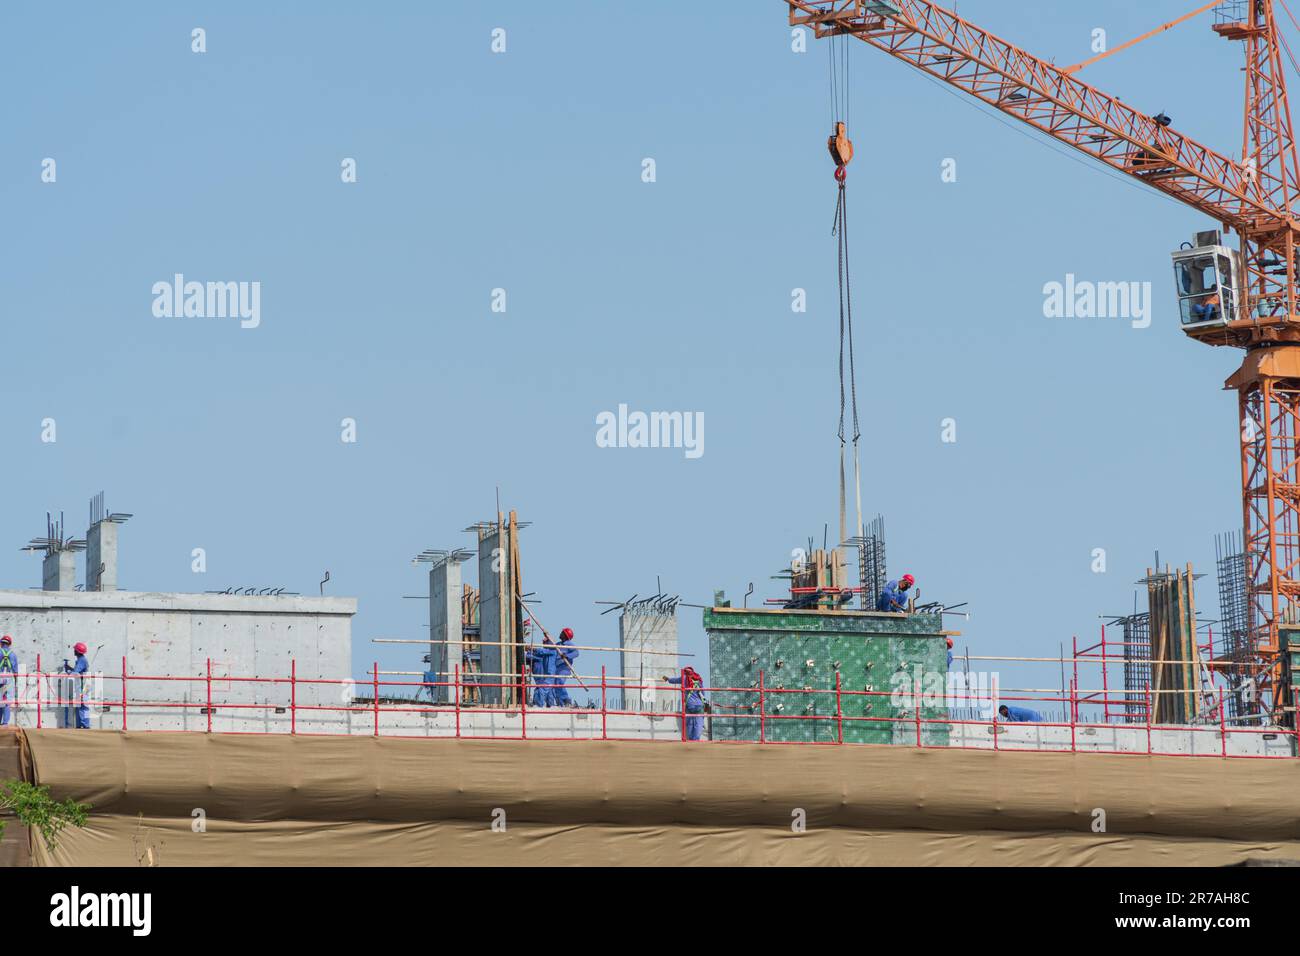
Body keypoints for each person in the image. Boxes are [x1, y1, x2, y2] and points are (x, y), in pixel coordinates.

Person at [663, 666, 706, 741]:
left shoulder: (684, 678)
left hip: (689, 705)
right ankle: (696, 739)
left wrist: (668, 679)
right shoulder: (698, 679)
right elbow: (703, 693)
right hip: (699, 705)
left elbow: (675, 680)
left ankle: (691, 739)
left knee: (690, 723)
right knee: (698, 723)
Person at [63, 643, 90, 729]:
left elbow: (75, 672)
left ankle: (85, 726)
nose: (74, 651)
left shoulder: (82, 660)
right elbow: (76, 671)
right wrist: (69, 668)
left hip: (83, 687)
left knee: (83, 706)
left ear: (77, 651)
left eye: (75, 650)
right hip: (81, 686)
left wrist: (69, 672)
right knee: (80, 706)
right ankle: (80, 725)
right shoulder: (81, 660)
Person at [551, 628, 579, 708]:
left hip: (564, 667)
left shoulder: (569, 644)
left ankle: (566, 700)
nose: (560, 633)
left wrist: (566, 656)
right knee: (554, 685)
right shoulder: (559, 644)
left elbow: (576, 653)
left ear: (566, 635)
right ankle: (560, 703)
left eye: (562, 632)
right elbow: (551, 649)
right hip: (557, 667)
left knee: (559, 682)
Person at [526, 640, 557, 708]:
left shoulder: (551, 651)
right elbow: (529, 656)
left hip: (548, 672)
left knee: (543, 688)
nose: (543, 644)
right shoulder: (546, 652)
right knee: (545, 687)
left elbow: (541, 652)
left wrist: (533, 649)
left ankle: (539, 704)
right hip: (544, 672)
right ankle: (547, 704)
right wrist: (531, 650)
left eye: (545, 643)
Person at [0, 636, 17, 726]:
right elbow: (15, 670)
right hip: (9, 678)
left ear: (1, 643)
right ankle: (5, 723)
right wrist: (16, 682)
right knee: (7, 701)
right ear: (9, 644)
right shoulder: (13, 654)